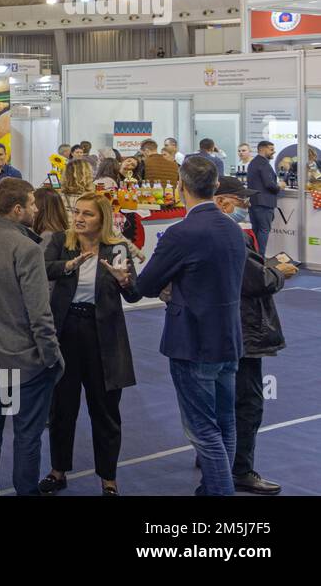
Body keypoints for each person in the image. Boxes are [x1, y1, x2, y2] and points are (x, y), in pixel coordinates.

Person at [134, 157, 246, 496]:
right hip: (228, 338)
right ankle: (214, 486)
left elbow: (146, 286)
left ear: (181, 187)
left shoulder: (181, 233)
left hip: (193, 343)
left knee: (203, 429)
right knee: (225, 421)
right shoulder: (233, 228)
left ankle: (219, 491)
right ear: (215, 187)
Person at [0, 178, 63, 497]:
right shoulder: (28, 248)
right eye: (32, 204)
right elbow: (39, 313)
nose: (36, 208)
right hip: (25, 359)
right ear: (18, 209)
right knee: (27, 435)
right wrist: (52, 357)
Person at [40, 193, 142, 496]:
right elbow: (45, 268)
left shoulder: (117, 247)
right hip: (67, 329)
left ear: (103, 219)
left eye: (87, 214)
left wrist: (125, 281)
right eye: (76, 212)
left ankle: (108, 479)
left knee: (106, 409)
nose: (79, 218)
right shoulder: (62, 240)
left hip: (105, 335)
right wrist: (69, 265)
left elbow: (134, 294)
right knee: (62, 407)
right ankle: (58, 471)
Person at [211, 176, 294, 495]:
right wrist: (279, 272)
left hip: (220, 328)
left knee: (220, 398)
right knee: (247, 402)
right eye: (240, 199)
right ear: (222, 201)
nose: (245, 205)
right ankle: (240, 468)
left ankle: (215, 456)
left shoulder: (203, 231)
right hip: (243, 329)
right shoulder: (231, 235)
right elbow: (254, 281)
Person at [245, 140, 278, 254]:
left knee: (256, 231)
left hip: (254, 202)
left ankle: (255, 260)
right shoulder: (263, 164)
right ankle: (261, 260)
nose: (273, 152)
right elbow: (269, 184)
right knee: (263, 231)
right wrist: (280, 186)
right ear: (262, 149)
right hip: (264, 203)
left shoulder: (253, 162)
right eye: (271, 149)